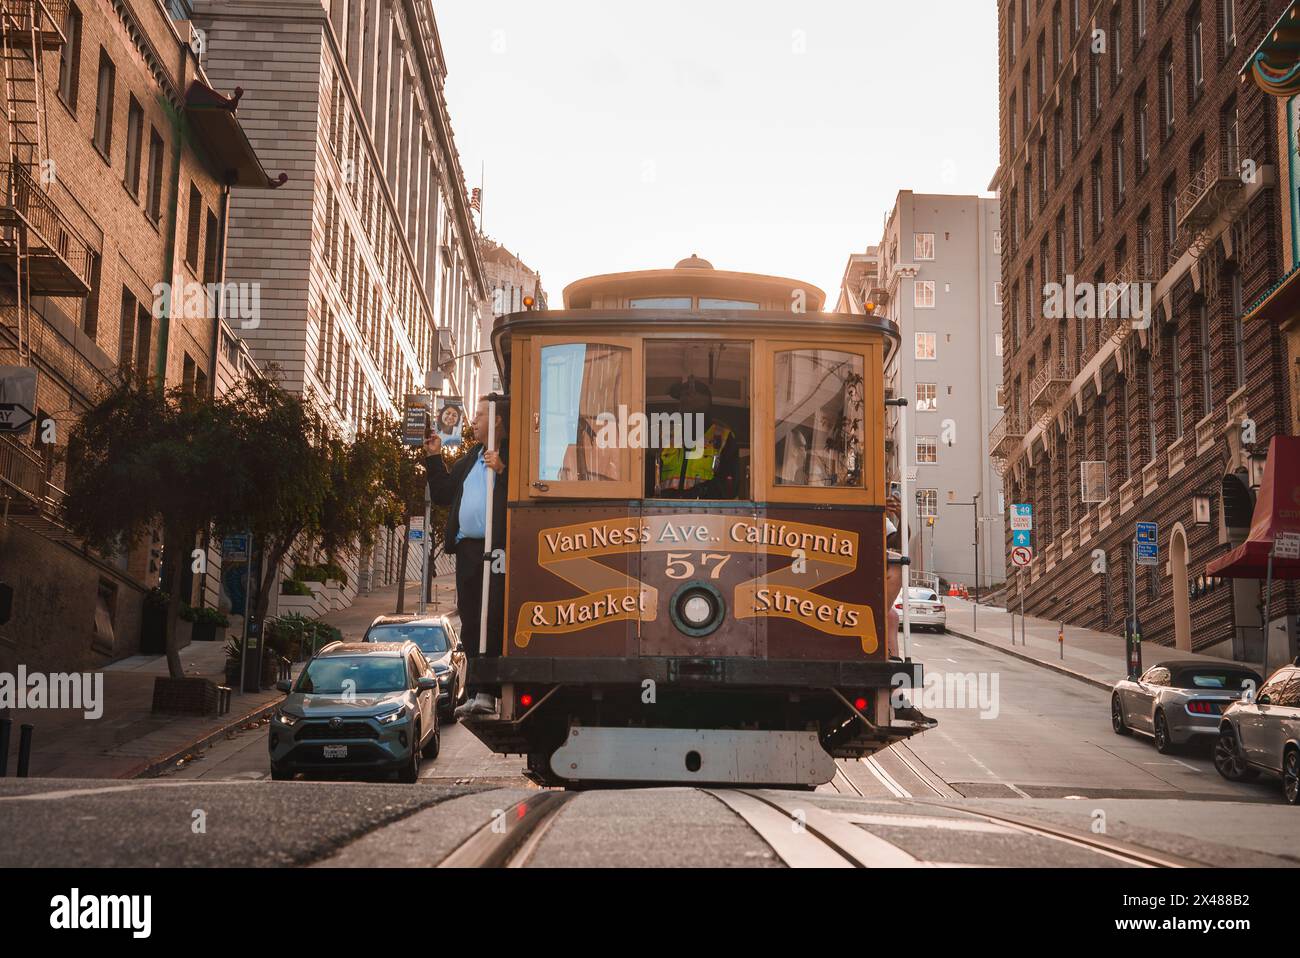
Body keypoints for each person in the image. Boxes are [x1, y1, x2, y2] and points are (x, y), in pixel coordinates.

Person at [424, 396, 508, 717]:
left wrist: (503, 470)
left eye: (480, 415)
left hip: (497, 547)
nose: (473, 421)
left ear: (498, 419)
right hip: (469, 551)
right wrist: (434, 457)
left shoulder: (510, 455)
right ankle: (475, 692)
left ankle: (490, 691)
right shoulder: (470, 458)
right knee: (471, 619)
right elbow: (444, 493)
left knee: (492, 617)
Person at [653, 377, 739, 498]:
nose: (682, 401)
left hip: (706, 514)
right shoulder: (665, 435)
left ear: (705, 401)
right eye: (681, 397)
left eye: (688, 396)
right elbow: (645, 480)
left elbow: (730, 486)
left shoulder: (724, 437)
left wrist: (699, 492)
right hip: (663, 512)